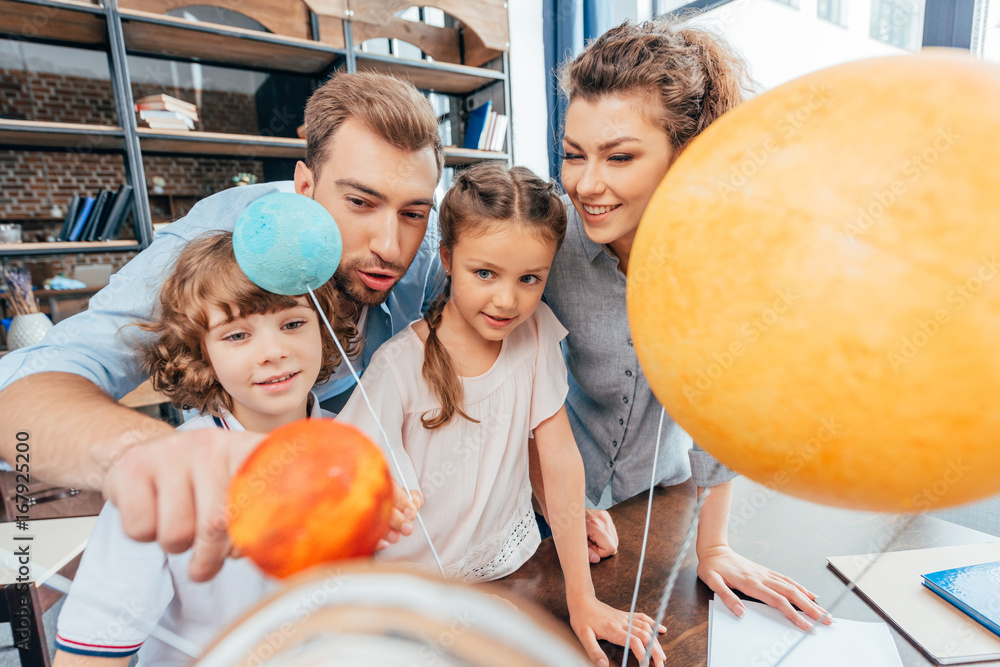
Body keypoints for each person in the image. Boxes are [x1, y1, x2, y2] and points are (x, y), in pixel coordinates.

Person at [0, 71, 443, 582]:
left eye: (412, 212)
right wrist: (157, 456)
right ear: (304, 187)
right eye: (360, 203)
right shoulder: (215, 243)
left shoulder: (432, 244)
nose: (390, 247)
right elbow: (20, 396)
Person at [539, 18, 830, 631]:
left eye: (619, 157)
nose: (587, 184)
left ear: (686, 157)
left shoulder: (723, 259)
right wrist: (553, 504)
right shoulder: (548, 239)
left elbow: (718, 409)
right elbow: (507, 383)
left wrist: (714, 547)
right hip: (556, 511)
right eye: (572, 154)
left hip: (664, 499)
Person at [338, 162, 666, 667]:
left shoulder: (535, 333)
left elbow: (558, 459)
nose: (508, 300)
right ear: (447, 258)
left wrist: (583, 599)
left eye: (530, 278)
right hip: (411, 601)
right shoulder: (395, 370)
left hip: (509, 572)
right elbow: (348, 494)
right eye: (484, 273)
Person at [53, 231, 369, 664]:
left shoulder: (365, 448)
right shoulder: (165, 475)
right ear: (200, 352)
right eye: (237, 335)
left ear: (325, 327)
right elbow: (88, 655)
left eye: (293, 323)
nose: (273, 352)